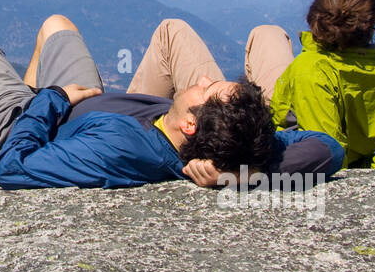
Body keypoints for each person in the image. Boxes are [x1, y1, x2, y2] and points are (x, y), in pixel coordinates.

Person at [0, 9, 341, 190]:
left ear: (193, 126)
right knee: (56, 25)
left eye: (206, 89)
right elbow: (328, 148)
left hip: (23, 126)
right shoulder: (217, 147)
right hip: (87, 103)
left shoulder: (121, 144)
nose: (201, 77)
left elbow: (17, 166)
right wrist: (241, 172)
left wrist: (51, 99)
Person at [126, 17, 346, 183]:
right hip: (247, 117)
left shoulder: (124, 137)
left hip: (213, 123)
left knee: (171, 30)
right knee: (268, 33)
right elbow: (330, 149)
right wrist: (249, 173)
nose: (204, 79)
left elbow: (330, 151)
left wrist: (236, 174)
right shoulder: (265, 145)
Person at [244, 0, 375, 169]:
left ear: (315, 14)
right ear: (373, 21)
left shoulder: (310, 70)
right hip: (357, 168)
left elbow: (323, 153)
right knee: (268, 34)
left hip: (281, 134)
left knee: (266, 34)